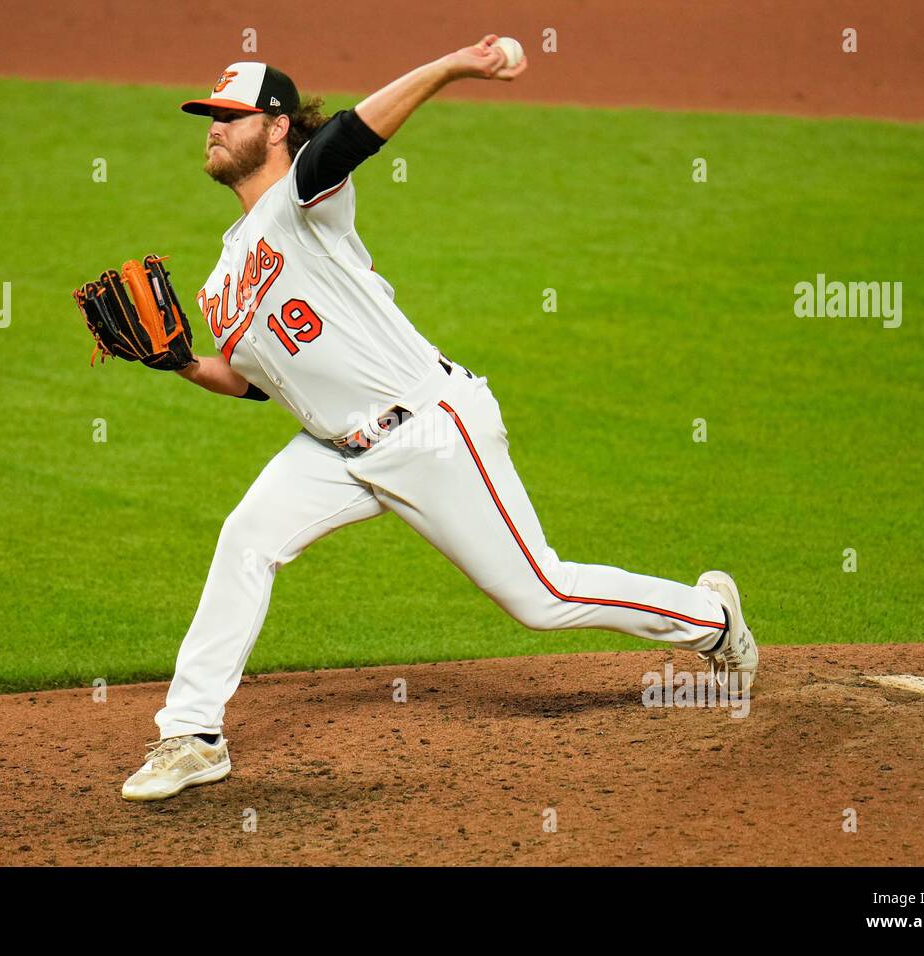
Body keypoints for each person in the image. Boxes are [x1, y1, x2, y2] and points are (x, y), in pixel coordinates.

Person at [121, 36, 757, 801]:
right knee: (245, 540)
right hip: (331, 449)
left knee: (540, 597)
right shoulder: (223, 276)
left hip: (428, 427)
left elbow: (355, 132)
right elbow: (261, 383)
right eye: (210, 116)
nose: (214, 127)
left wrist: (454, 66)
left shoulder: (303, 201)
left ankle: (712, 618)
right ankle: (191, 735)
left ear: (280, 126)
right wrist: (186, 365)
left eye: (231, 114)